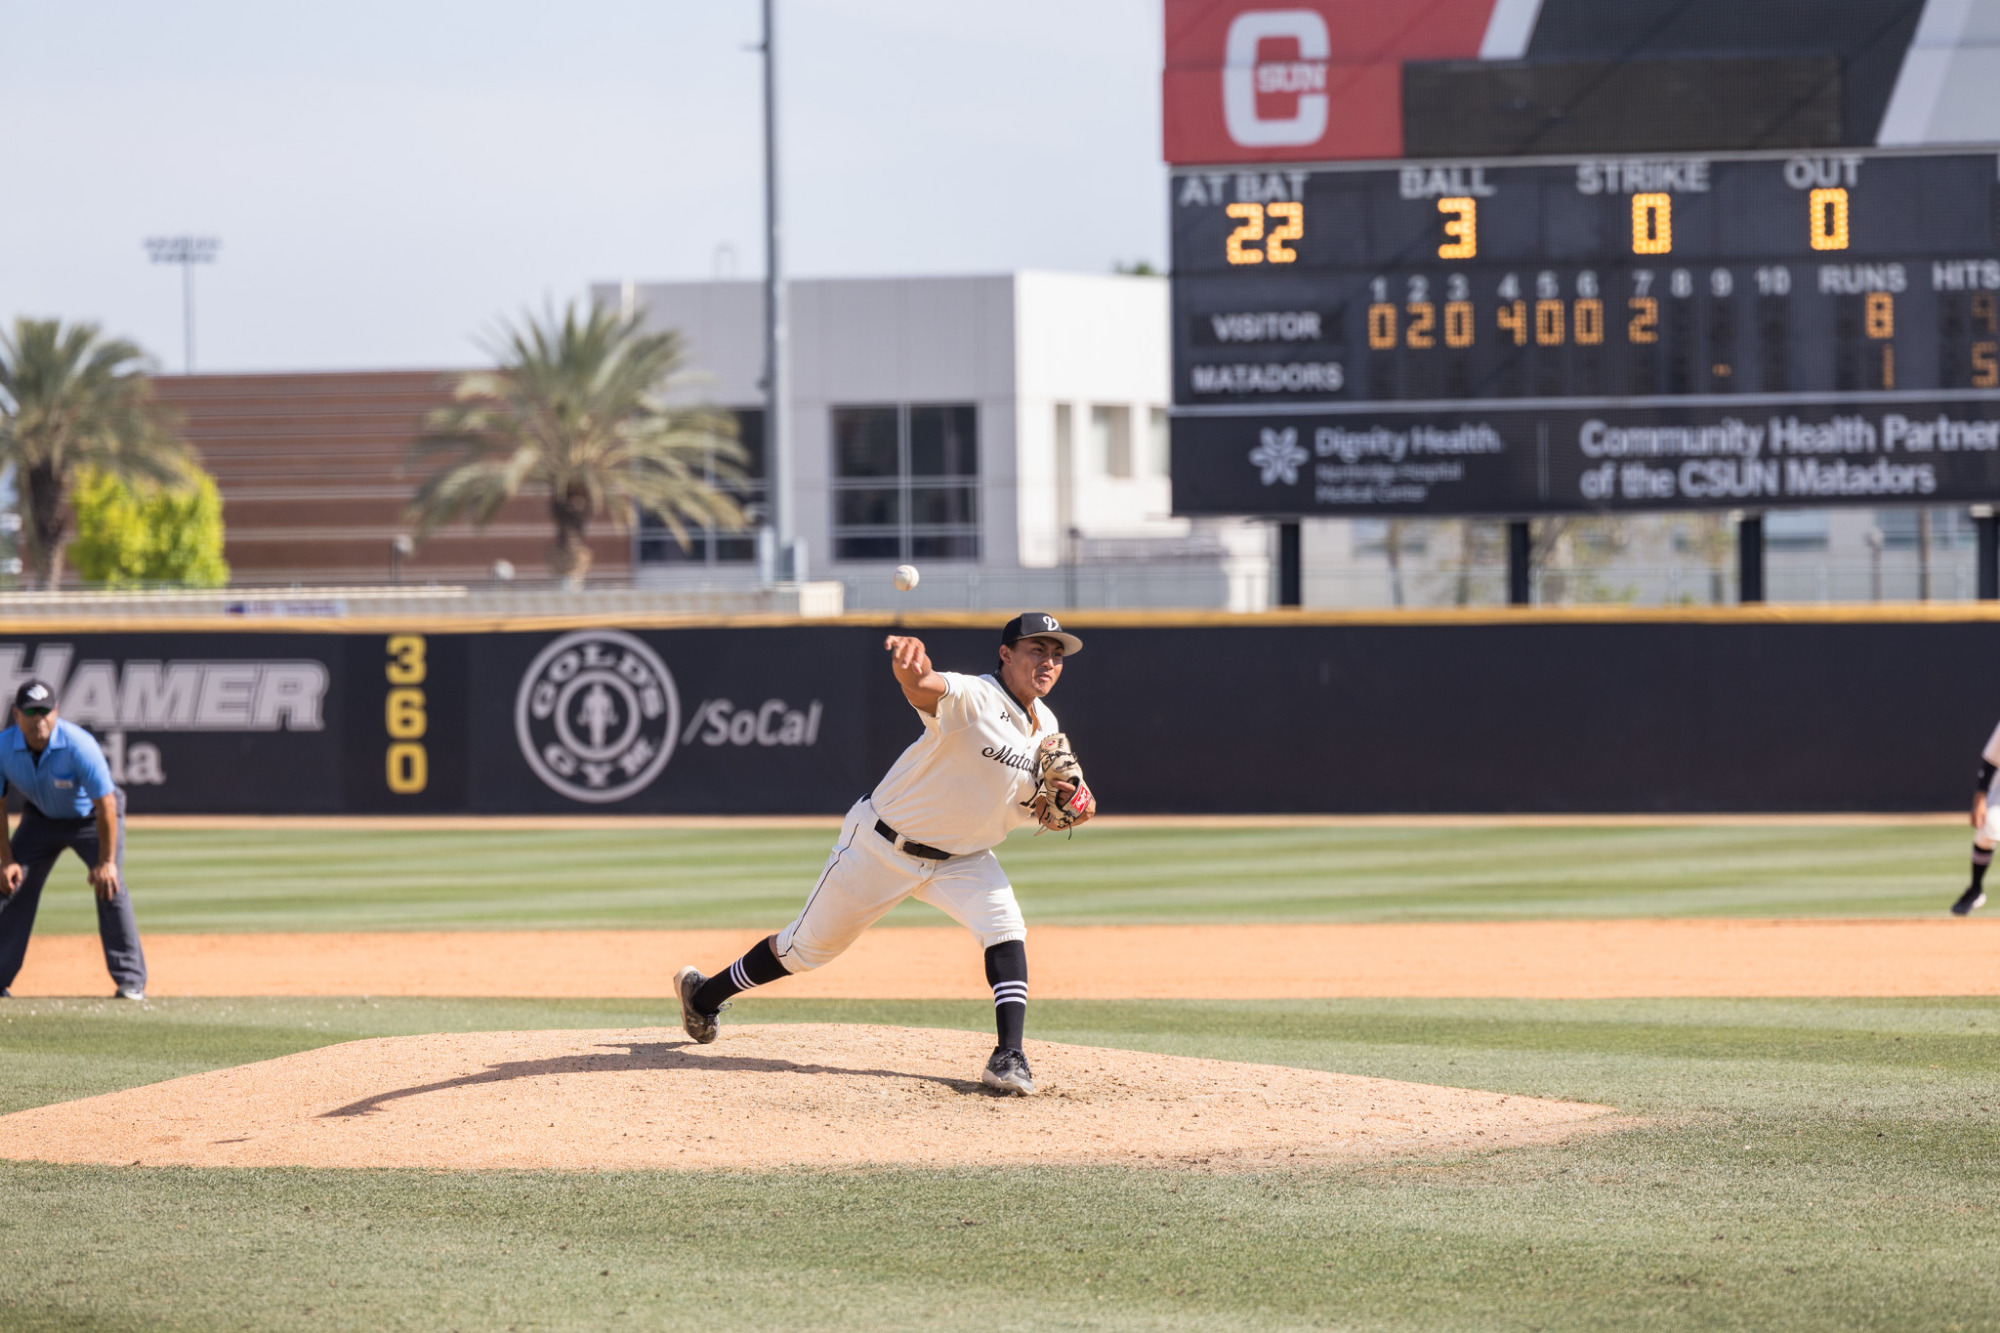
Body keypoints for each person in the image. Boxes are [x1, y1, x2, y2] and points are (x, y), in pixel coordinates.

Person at [674, 611, 1096, 1095]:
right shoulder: (976, 697)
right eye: (1037, 649)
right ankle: (703, 996)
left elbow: (1042, 797)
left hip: (963, 857)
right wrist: (909, 668)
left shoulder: (1047, 725)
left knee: (1005, 927)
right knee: (802, 951)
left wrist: (1076, 803)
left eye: (1056, 654)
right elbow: (924, 687)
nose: (1048, 661)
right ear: (1005, 654)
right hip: (882, 846)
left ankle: (1009, 1056)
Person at [0, 680, 146, 999]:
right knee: (10, 885)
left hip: (91, 819)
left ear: (56, 711)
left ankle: (131, 981)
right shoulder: (3, 748)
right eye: (30, 712)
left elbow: (107, 804)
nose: (39, 719)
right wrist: (6, 859)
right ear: (16, 714)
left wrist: (107, 862)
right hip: (40, 820)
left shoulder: (78, 744)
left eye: (44, 711)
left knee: (109, 886)